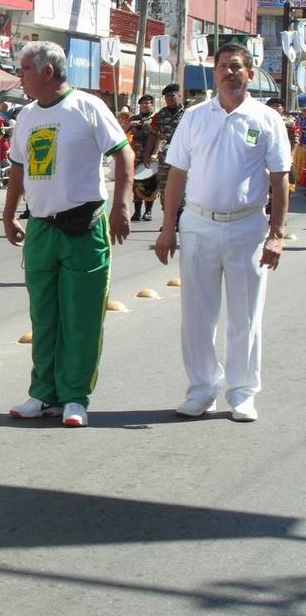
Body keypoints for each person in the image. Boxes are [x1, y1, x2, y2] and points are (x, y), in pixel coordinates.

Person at [155, 43, 291, 423]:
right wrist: (168, 228)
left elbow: (280, 181)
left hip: (247, 226)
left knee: (245, 317)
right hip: (199, 224)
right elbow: (176, 174)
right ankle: (201, 389)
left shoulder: (266, 119)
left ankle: (243, 392)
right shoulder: (195, 117)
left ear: (249, 73)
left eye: (236, 67)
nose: (228, 73)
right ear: (214, 74)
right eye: (222, 68)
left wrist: (275, 234)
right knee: (197, 314)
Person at [3, 41, 133, 428]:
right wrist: (9, 214)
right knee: (44, 317)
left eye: (24, 68)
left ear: (46, 71)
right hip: (42, 227)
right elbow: (16, 169)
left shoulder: (88, 107)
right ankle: (43, 393)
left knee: (82, 317)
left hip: (84, 226)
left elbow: (122, 153)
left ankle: (75, 396)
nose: (20, 76)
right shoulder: (26, 115)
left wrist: (121, 207)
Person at [147, 83, 185, 217]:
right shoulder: (160, 115)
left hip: (182, 158)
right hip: (164, 158)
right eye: (166, 97)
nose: (169, 98)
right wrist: (149, 154)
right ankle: (168, 218)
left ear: (179, 96)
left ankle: (180, 216)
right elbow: (153, 135)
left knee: (182, 188)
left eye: (172, 95)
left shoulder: (188, 114)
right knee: (164, 188)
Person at [126, 94, 158, 221]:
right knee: (137, 184)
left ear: (152, 105)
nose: (145, 105)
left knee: (150, 183)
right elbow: (121, 132)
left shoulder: (156, 118)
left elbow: (158, 137)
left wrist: (154, 154)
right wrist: (129, 125)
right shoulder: (134, 118)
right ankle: (137, 211)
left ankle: (148, 211)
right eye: (143, 103)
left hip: (150, 155)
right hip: (136, 155)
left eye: (148, 103)